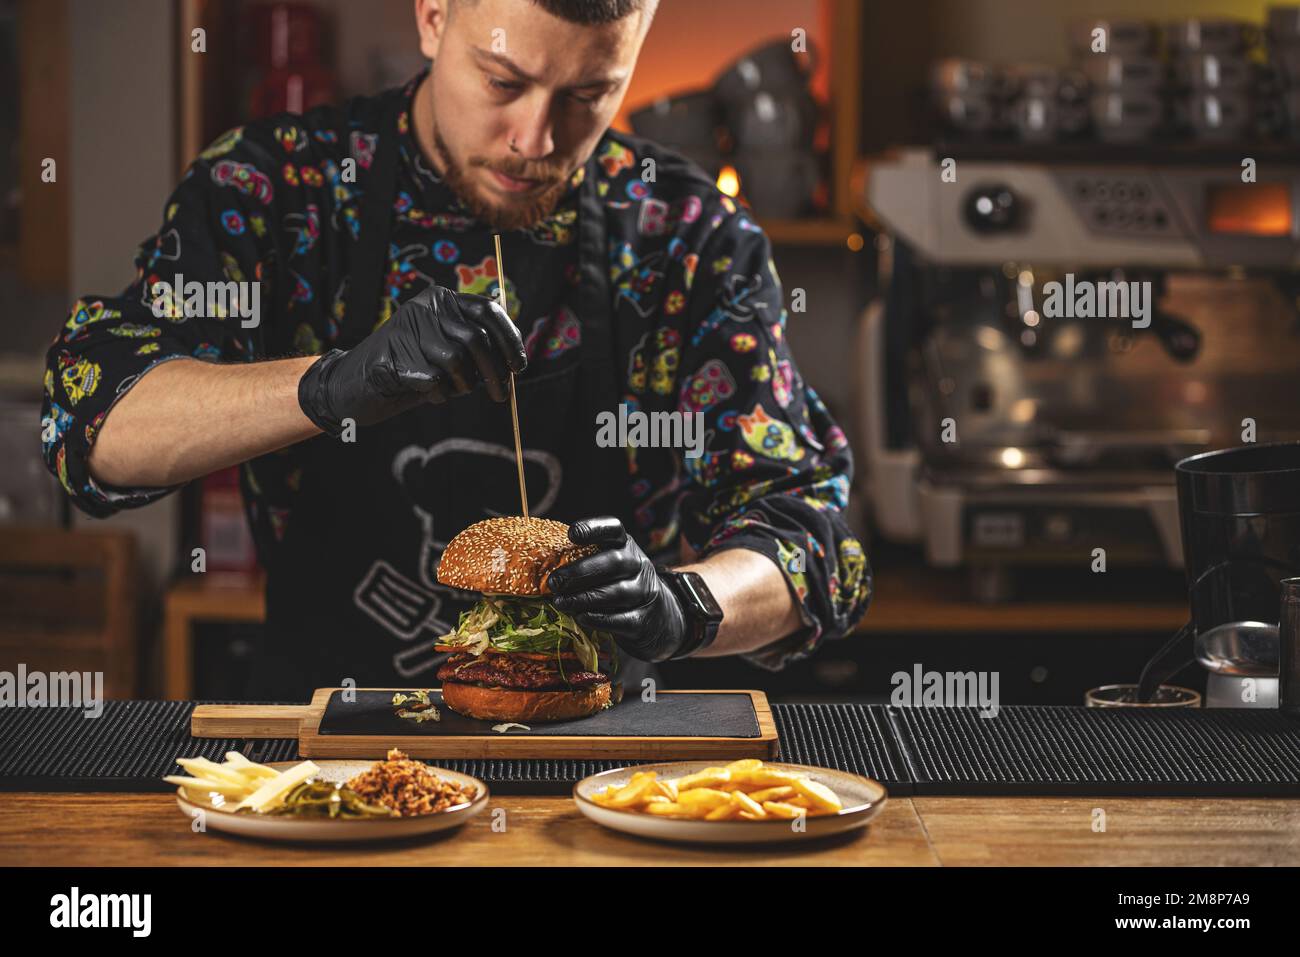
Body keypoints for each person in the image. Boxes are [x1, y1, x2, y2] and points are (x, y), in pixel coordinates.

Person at [40, 0, 872, 699]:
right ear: (433, 17)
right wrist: (329, 387)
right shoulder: (276, 190)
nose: (536, 139)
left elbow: (810, 535)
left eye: (590, 92)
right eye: (503, 82)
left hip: (604, 774)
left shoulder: (686, 235)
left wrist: (685, 605)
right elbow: (95, 418)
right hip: (329, 768)